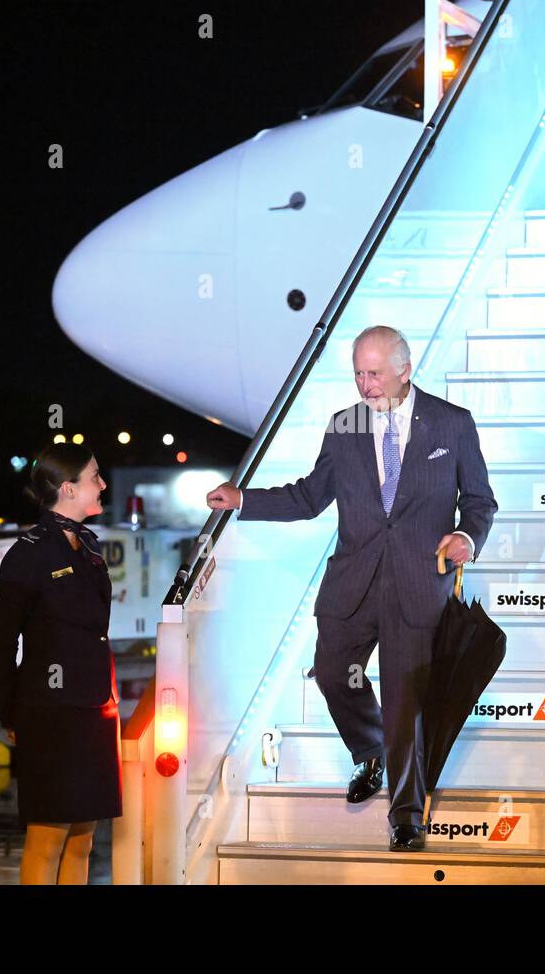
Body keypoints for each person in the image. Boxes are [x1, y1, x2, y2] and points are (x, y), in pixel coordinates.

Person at [207, 325, 498, 851]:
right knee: (335, 675)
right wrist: (243, 500)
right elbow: (309, 497)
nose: (364, 384)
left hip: (417, 584)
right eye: (358, 373)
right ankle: (370, 749)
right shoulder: (344, 426)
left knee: (406, 703)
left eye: (375, 373)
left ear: (405, 370)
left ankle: (406, 814)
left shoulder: (453, 425)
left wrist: (466, 536)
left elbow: (480, 502)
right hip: (353, 583)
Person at [0, 444, 121, 884]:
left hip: (92, 712)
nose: (102, 484)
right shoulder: (29, 553)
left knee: (83, 838)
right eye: (94, 477)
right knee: (47, 839)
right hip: (50, 714)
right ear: (67, 488)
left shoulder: (88, 547)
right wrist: (10, 711)